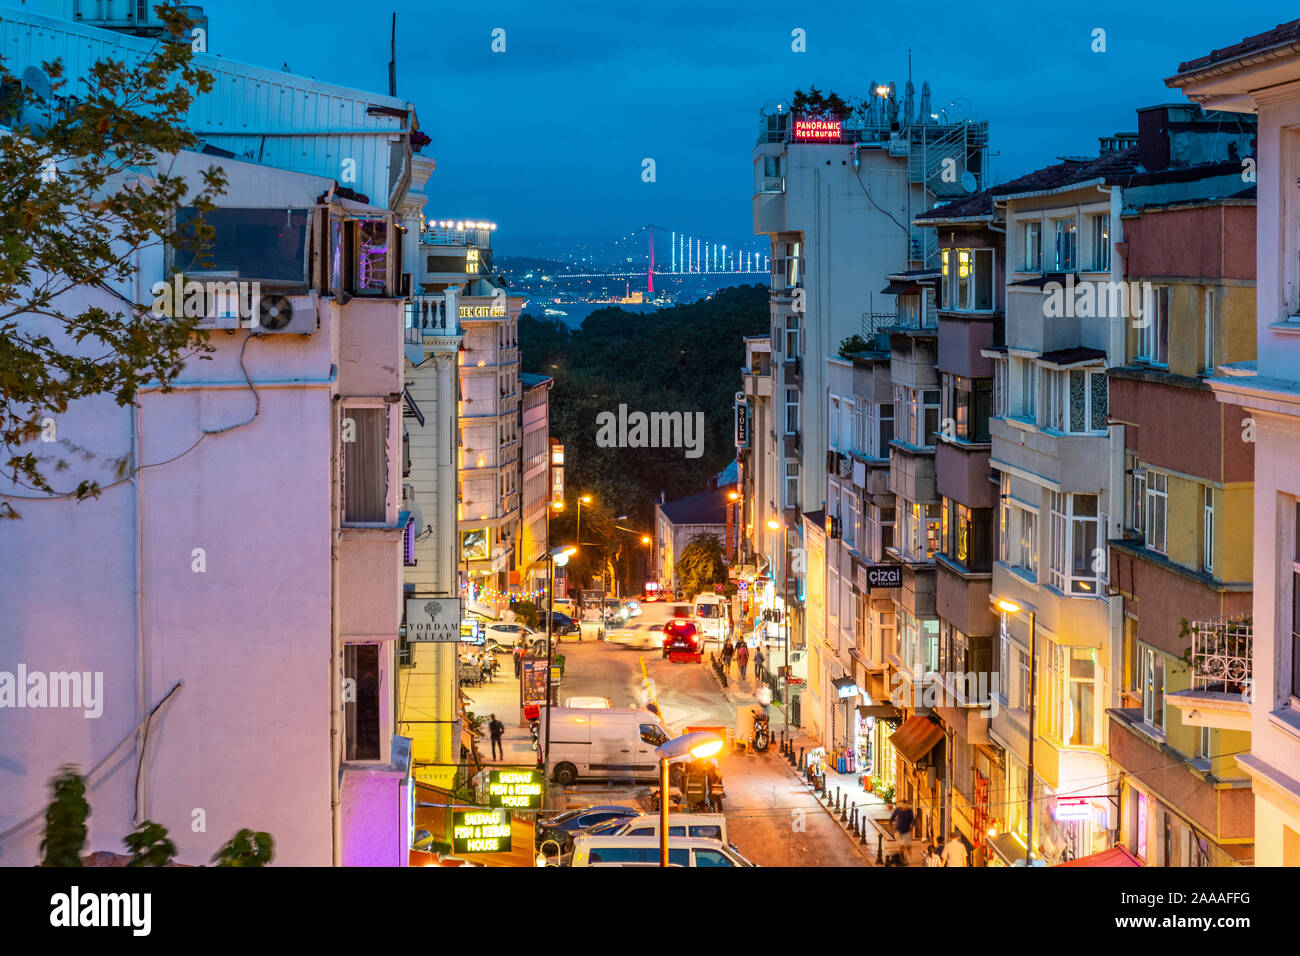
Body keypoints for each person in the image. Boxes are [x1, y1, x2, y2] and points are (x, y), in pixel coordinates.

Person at [889, 799, 915, 866]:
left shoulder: (909, 811)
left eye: (905, 804)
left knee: (907, 845)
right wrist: (892, 829)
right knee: (901, 846)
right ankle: (902, 858)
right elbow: (891, 819)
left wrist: (912, 827)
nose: (904, 806)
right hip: (899, 831)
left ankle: (906, 856)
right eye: (903, 804)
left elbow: (913, 820)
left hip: (907, 831)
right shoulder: (897, 810)